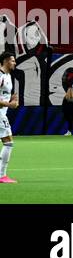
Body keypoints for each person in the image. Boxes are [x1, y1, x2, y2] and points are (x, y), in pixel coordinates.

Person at [0, 51, 16, 183]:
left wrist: (15, 99)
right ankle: (2, 175)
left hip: (2, 113)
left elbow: (7, 94)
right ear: (5, 61)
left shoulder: (8, 76)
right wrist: (9, 104)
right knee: (8, 142)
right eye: (12, 60)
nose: (14, 63)